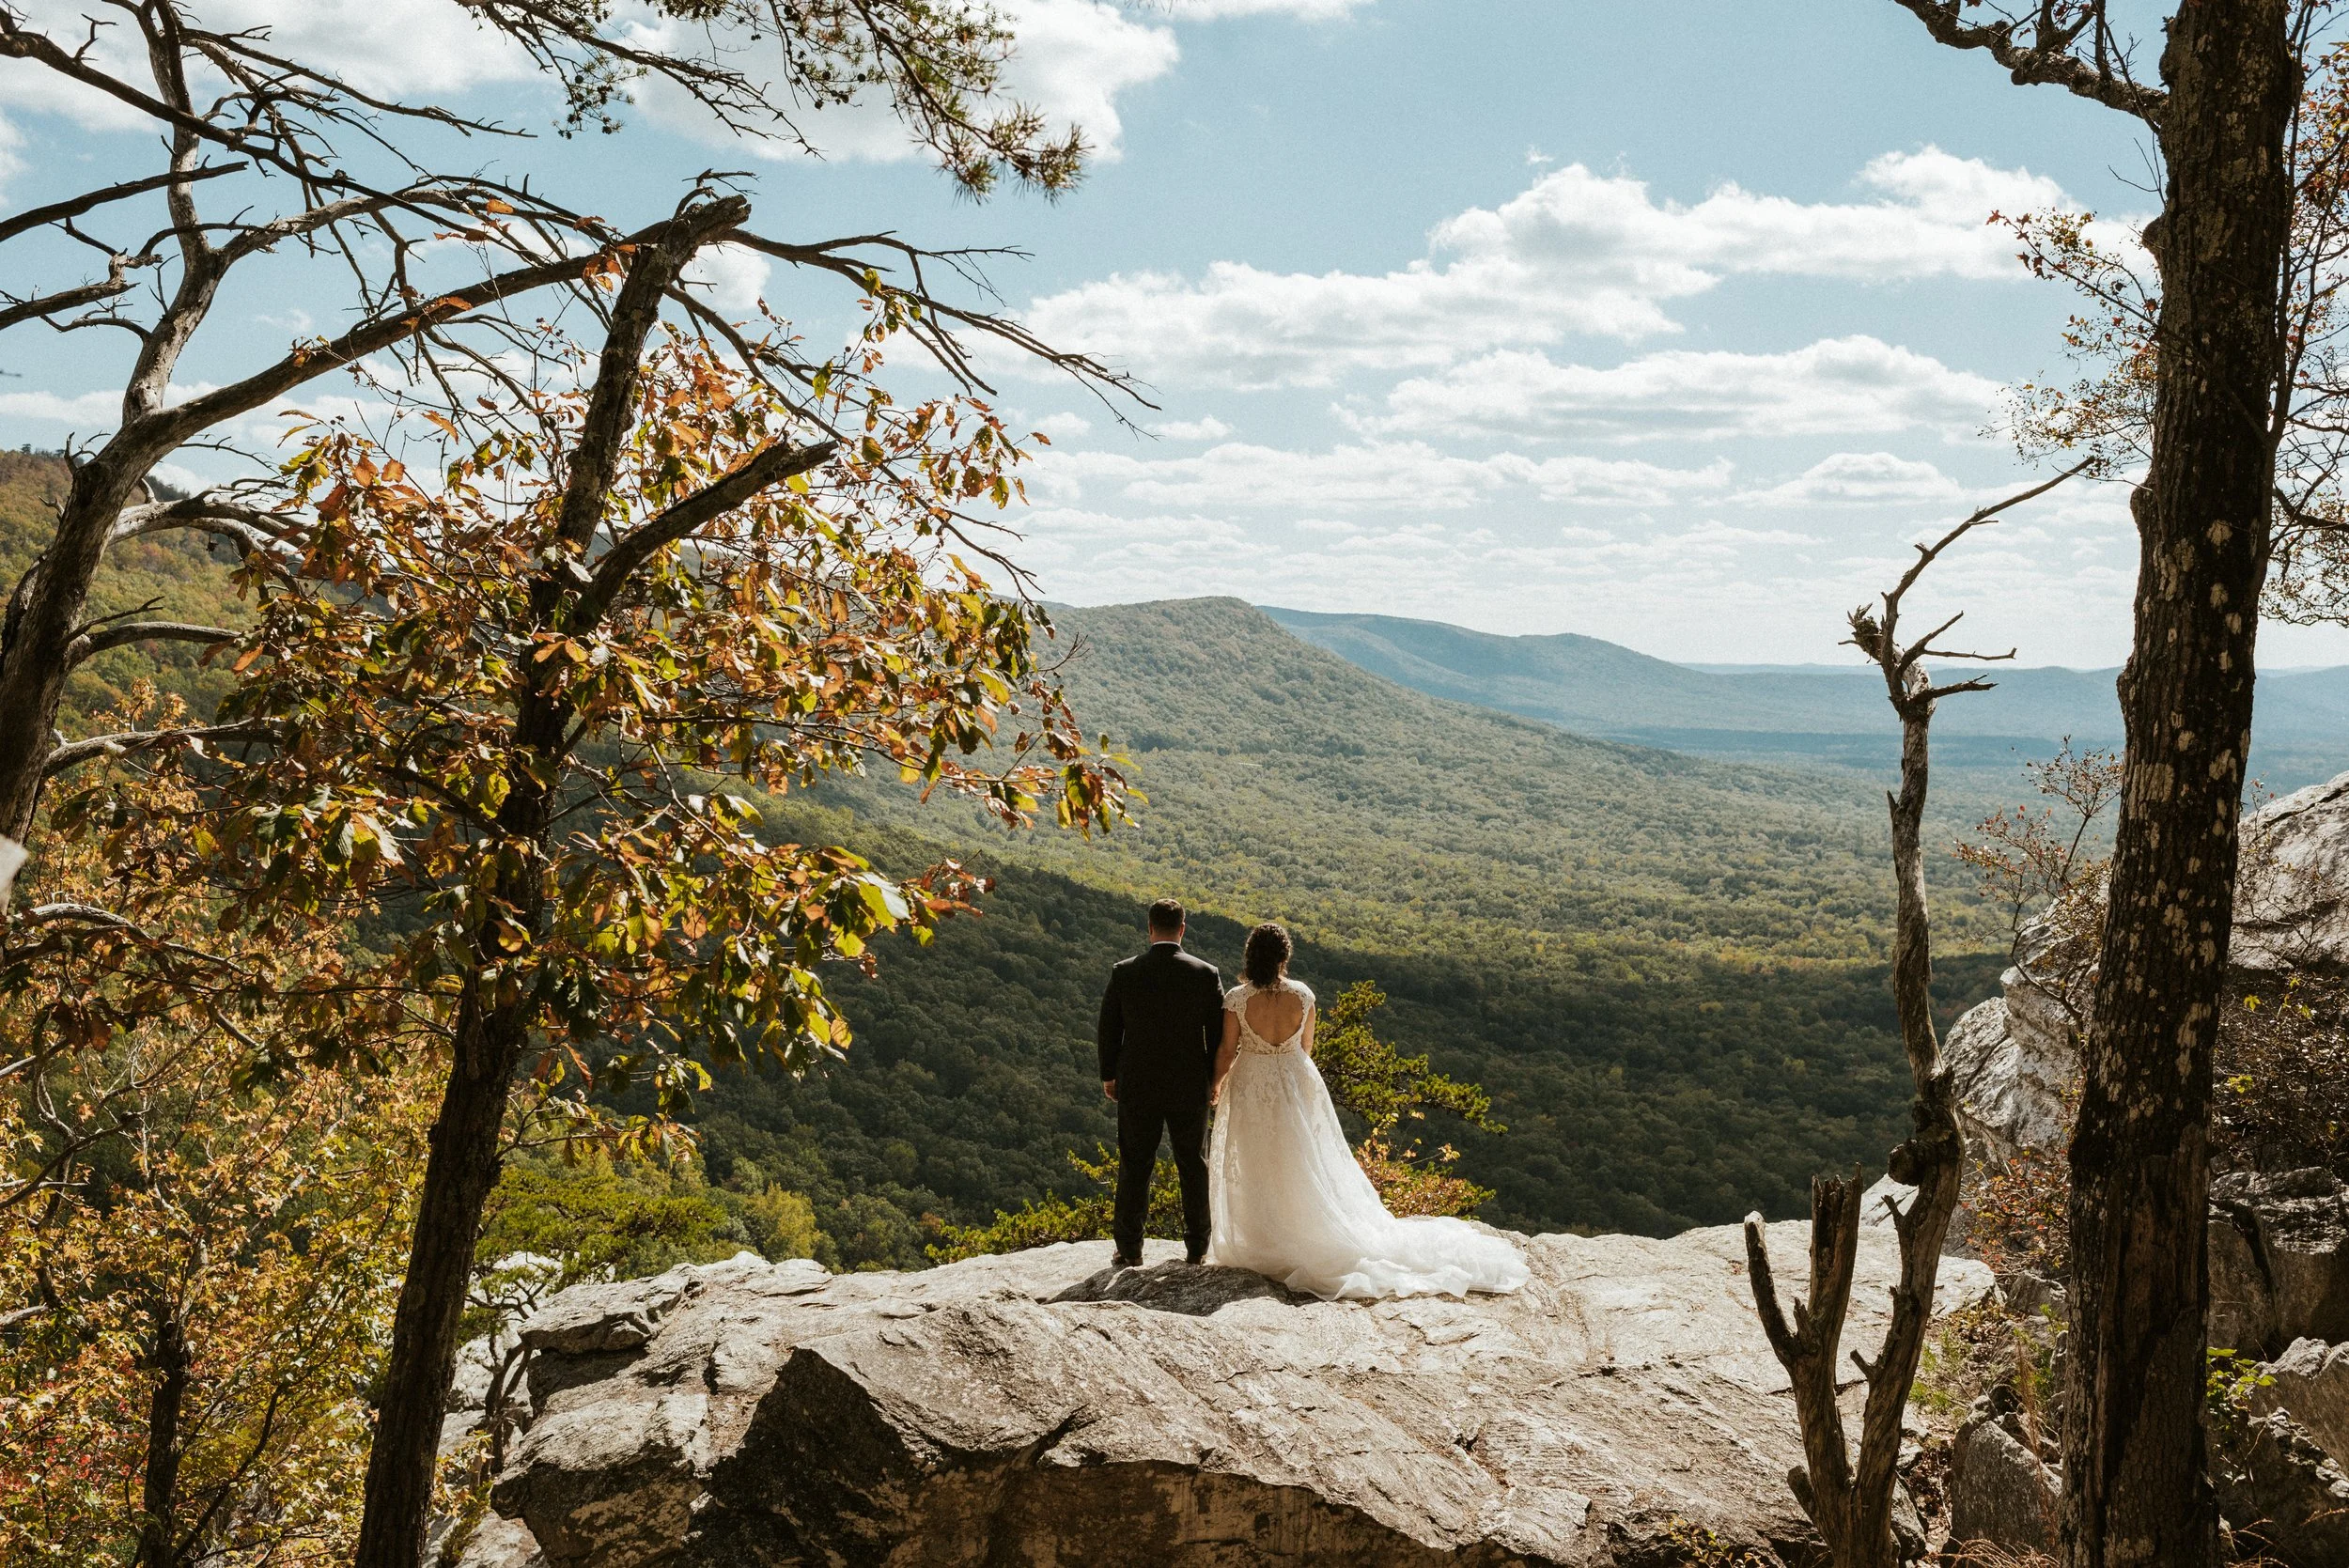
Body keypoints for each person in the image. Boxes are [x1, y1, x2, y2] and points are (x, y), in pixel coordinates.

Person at [1207, 921, 1528, 1300]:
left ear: (1250, 955)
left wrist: (1216, 1083)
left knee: (1256, 1157)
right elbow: (1305, 1048)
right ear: (1284, 957)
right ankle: (1302, 1230)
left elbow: (1228, 1051)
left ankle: (1264, 1237)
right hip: (1296, 1081)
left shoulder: (1237, 999)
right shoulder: (1305, 996)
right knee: (1300, 1157)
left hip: (1252, 1083)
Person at [1096, 897, 1223, 1267]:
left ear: (1150, 928)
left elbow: (1108, 1028)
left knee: (1135, 1163)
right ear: (1182, 929)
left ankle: (1130, 1248)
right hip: (1189, 1085)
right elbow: (1216, 1036)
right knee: (1192, 1164)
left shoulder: (1125, 972)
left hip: (1138, 1084)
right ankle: (1197, 1247)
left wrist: (1109, 1075)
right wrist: (1214, 1080)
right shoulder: (1205, 973)